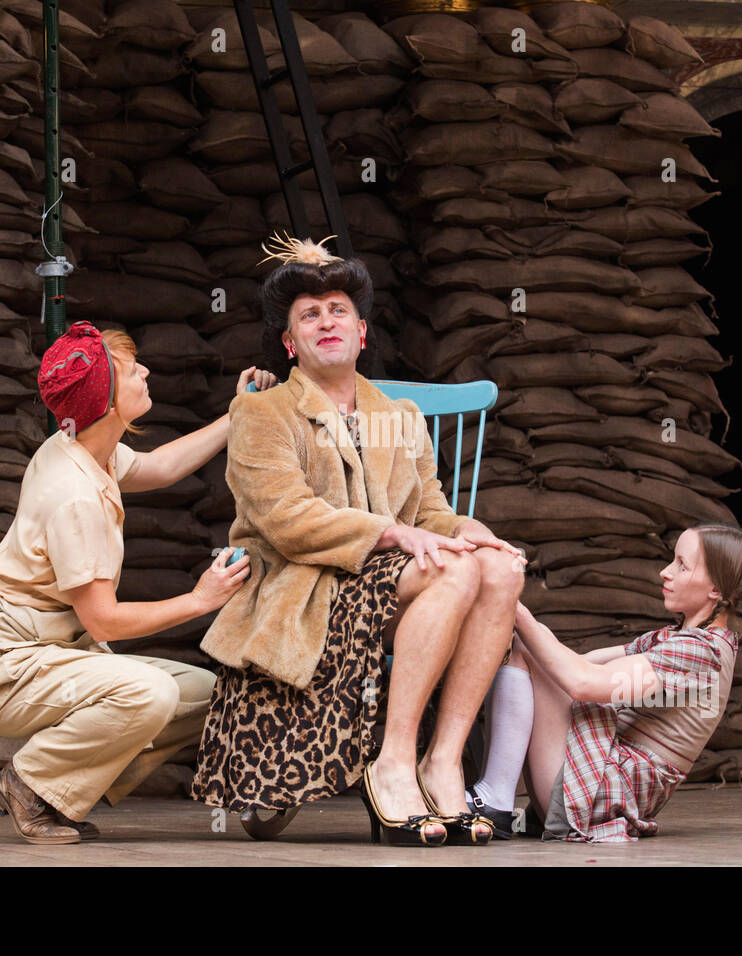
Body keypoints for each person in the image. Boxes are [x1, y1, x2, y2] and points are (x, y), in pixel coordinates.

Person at [190, 234, 527, 846]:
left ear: (362, 332)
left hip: (391, 587)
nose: (326, 321)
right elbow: (287, 520)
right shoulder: (262, 414)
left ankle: (442, 761)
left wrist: (472, 532)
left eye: (338, 309)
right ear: (291, 343)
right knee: (454, 571)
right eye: (309, 314)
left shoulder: (400, 417)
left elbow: (431, 509)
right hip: (303, 586)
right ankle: (394, 760)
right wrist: (395, 533)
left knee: (499, 570)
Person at [0, 320, 277, 845]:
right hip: (6, 668)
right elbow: (103, 620)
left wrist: (236, 413)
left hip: (55, 654)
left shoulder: (83, 445)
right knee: (147, 692)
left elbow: (159, 465)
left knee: (205, 694)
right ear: (103, 400)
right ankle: (31, 785)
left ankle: (71, 784)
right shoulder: (74, 493)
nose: (146, 370)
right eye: (130, 369)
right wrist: (200, 599)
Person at [466, 523, 742, 842]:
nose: (665, 572)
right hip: (593, 791)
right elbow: (583, 662)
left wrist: (513, 605)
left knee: (529, 646)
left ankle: (495, 797)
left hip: (594, 800)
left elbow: (582, 683)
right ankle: (495, 793)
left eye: (682, 565)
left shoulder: (698, 652)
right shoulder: (678, 638)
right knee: (537, 645)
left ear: (715, 589)